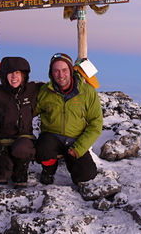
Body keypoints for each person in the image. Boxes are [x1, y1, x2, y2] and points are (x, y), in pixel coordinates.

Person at [35, 53, 103, 185]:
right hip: (52, 137)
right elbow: (30, 112)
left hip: (76, 138)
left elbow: (96, 123)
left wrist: (79, 147)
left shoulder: (87, 92)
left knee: (87, 176)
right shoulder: (44, 91)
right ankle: (48, 171)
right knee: (43, 148)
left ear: (70, 71)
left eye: (64, 70)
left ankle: (73, 163)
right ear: (51, 73)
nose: (61, 75)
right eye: (56, 71)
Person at [0, 56, 42, 189]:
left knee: (22, 148)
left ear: (24, 75)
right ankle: (5, 165)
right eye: (10, 73)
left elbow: (56, 87)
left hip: (23, 139)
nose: (14, 77)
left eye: (17, 73)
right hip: (0, 141)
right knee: (1, 176)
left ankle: (20, 174)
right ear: (4, 75)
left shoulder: (32, 90)